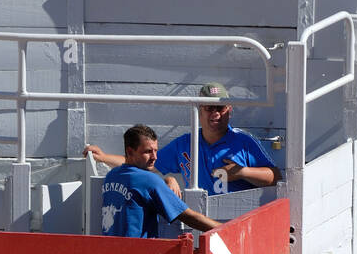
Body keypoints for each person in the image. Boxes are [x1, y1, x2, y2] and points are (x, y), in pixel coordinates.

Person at [86, 82, 280, 197]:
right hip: (201, 224)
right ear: (199, 111)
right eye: (209, 107)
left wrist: (243, 172)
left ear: (229, 110)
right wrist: (103, 157)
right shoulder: (185, 144)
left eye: (220, 108)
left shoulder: (243, 141)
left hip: (238, 222)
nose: (215, 113)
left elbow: (276, 178)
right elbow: (143, 163)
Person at [100, 125, 222, 238]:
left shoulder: (111, 175)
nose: (155, 157)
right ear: (130, 151)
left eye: (156, 151)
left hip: (109, 251)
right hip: (137, 253)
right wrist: (225, 229)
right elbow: (188, 217)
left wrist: (168, 179)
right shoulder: (149, 180)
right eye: (148, 151)